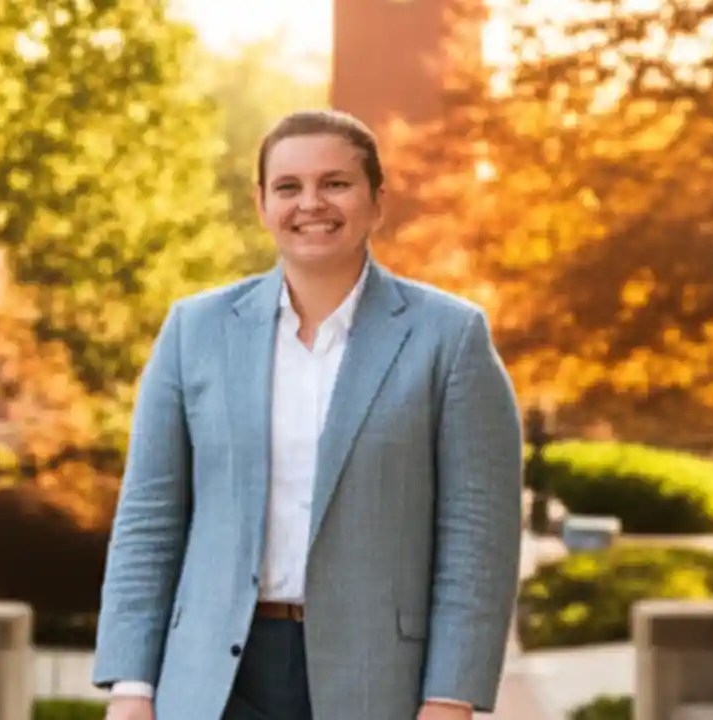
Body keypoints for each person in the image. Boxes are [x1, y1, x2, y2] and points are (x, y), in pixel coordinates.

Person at [93, 109, 523, 720]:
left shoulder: (450, 339)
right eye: (288, 187)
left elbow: (478, 543)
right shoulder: (194, 330)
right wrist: (131, 685)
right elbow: (148, 519)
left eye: (336, 183)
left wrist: (450, 697)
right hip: (212, 680)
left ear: (377, 200)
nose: (311, 204)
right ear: (261, 202)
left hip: (379, 681)